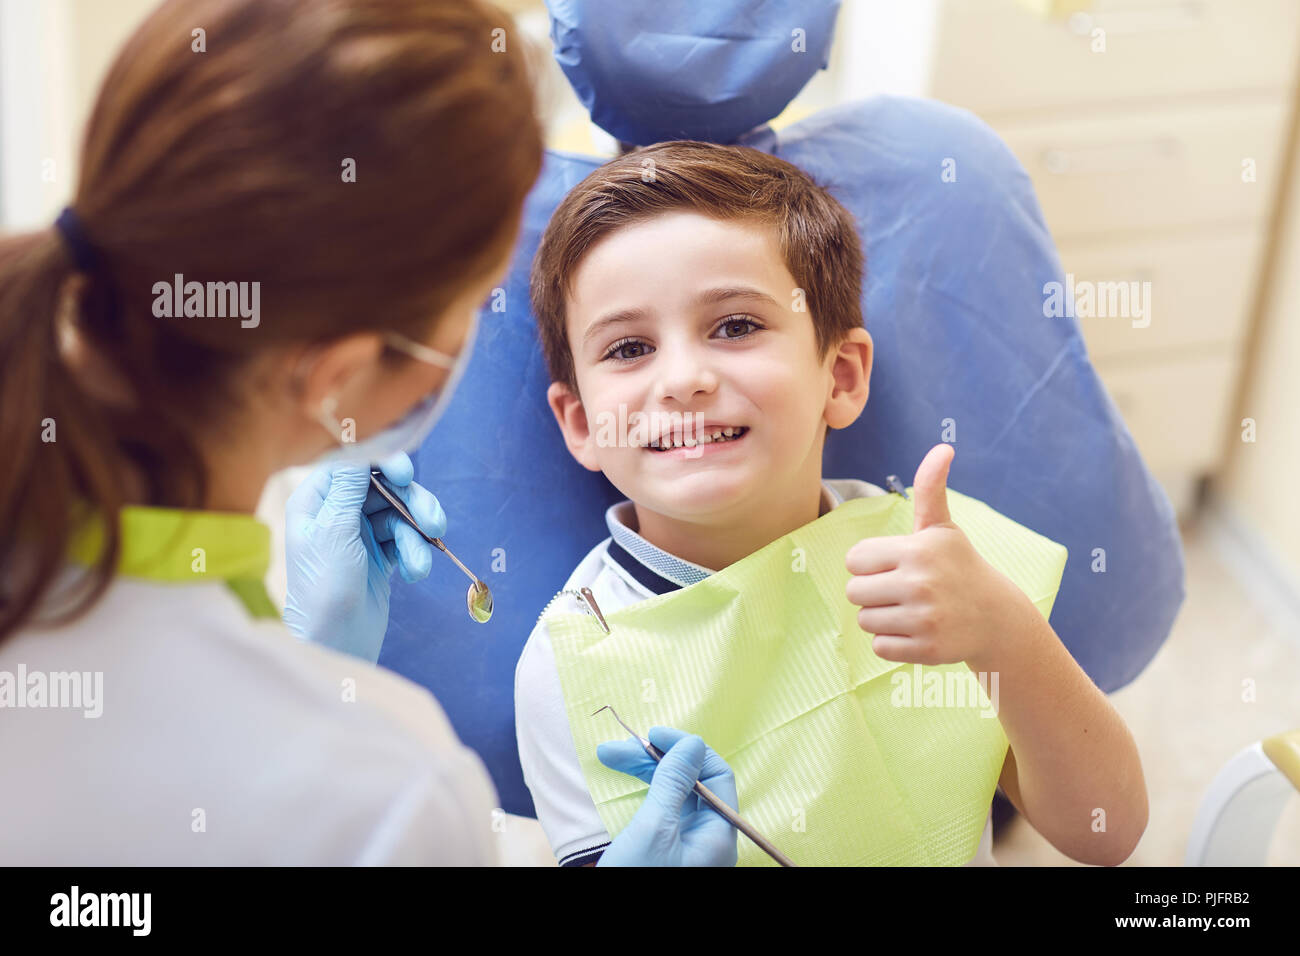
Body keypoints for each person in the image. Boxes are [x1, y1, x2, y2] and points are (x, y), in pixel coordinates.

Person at [0, 0, 737, 866]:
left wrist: (303, 665)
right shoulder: (390, 795)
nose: (685, 379)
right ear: (338, 378)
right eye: (472, 307)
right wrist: (316, 696)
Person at [515, 140, 1149, 866]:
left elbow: (1108, 831)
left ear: (841, 375)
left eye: (736, 326)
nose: (683, 378)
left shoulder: (941, 566)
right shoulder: (571, 666)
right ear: (581, 424)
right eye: (629, 348)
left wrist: (1004, 634)